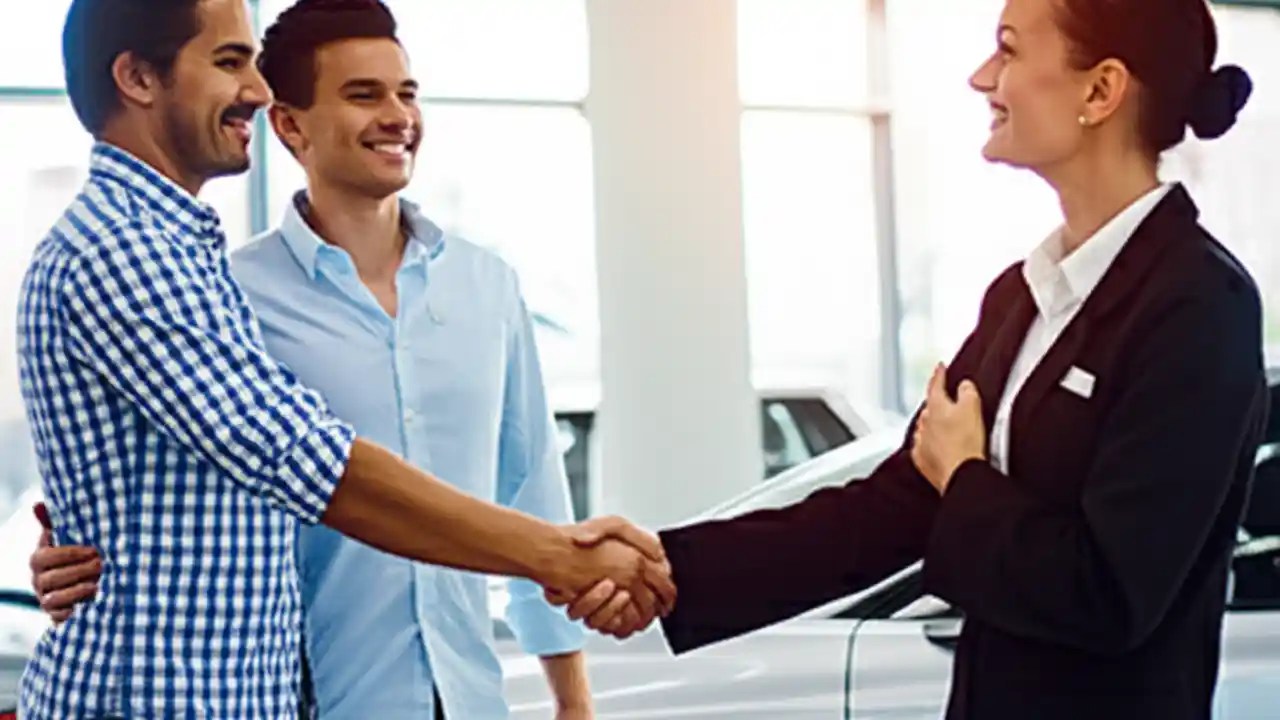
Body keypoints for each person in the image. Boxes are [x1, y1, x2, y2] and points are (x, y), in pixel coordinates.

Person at [555, 0, 1268, 717]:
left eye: (1010, 50)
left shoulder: (1200, 305)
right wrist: (670, 566)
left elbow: (1110, 593)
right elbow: (893, 509)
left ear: (1100, 90)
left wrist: (963, 475)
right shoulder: (1023, 297)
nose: (982, 77)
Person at [17, 1, 671, 718]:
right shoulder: (142, 258)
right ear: (138, 78)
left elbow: (529, 477)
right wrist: (564, 559)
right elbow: (309, 462)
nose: (257, 90)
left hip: (379, 693)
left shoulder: (185, 258)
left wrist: (102, 537)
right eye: (231, 64)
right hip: (216, 699)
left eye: (406, 93)